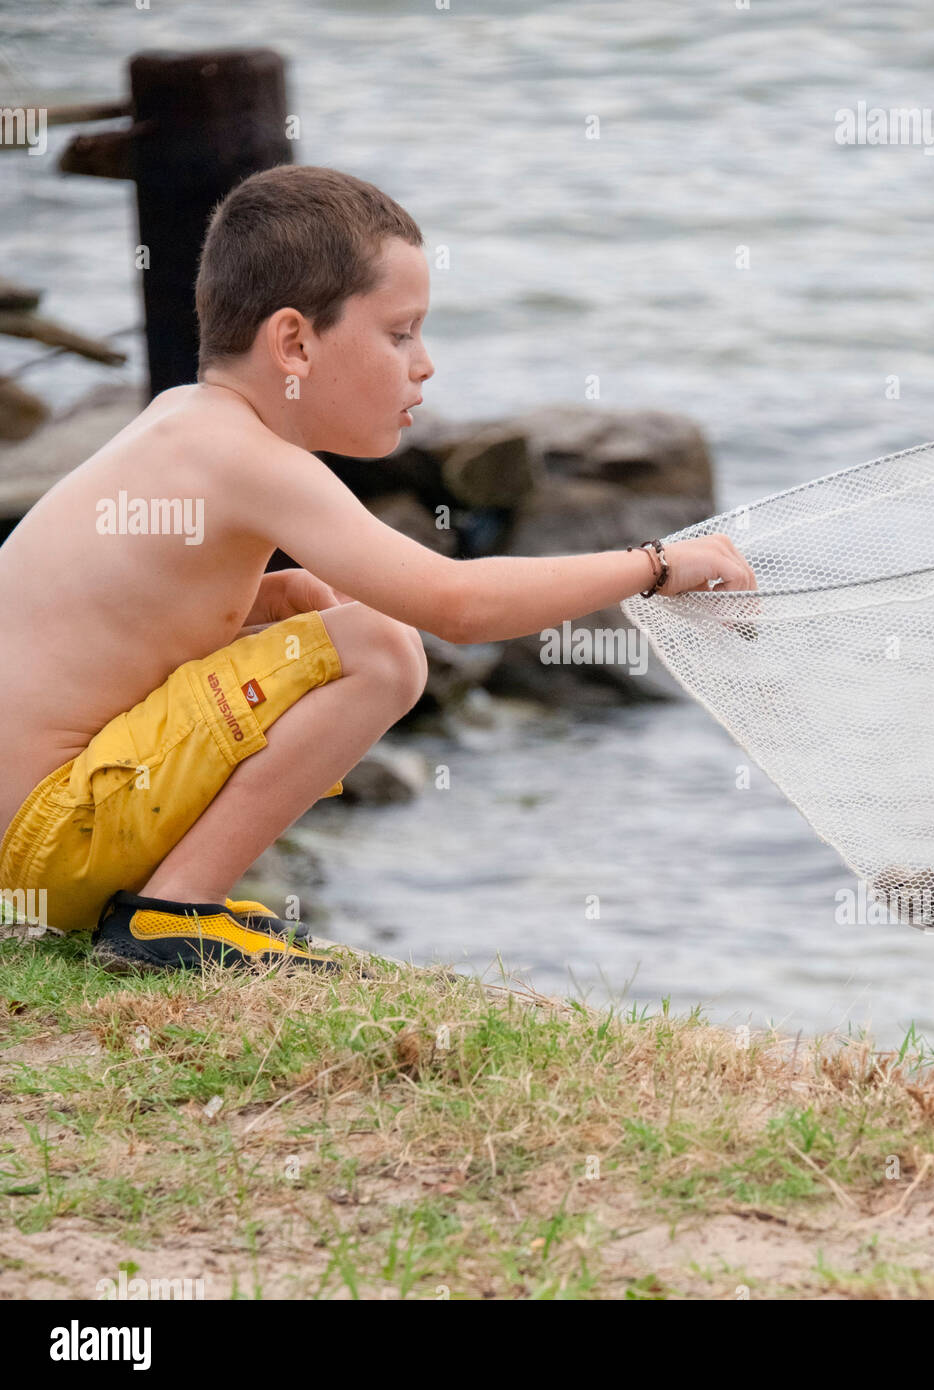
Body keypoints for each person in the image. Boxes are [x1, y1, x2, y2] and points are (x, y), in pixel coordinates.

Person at [0, 164, 755, 972]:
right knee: (382, 646)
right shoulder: (250, 461)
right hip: (54, 840)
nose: (424, 364)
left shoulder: (178, 423)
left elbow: (109, 617)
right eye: (400, 333)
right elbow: (456, 604)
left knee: (310, 611)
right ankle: (170, 916)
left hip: (28, 851)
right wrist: (656, 565)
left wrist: (258, 601)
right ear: (294, 342)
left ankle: (172, 903)